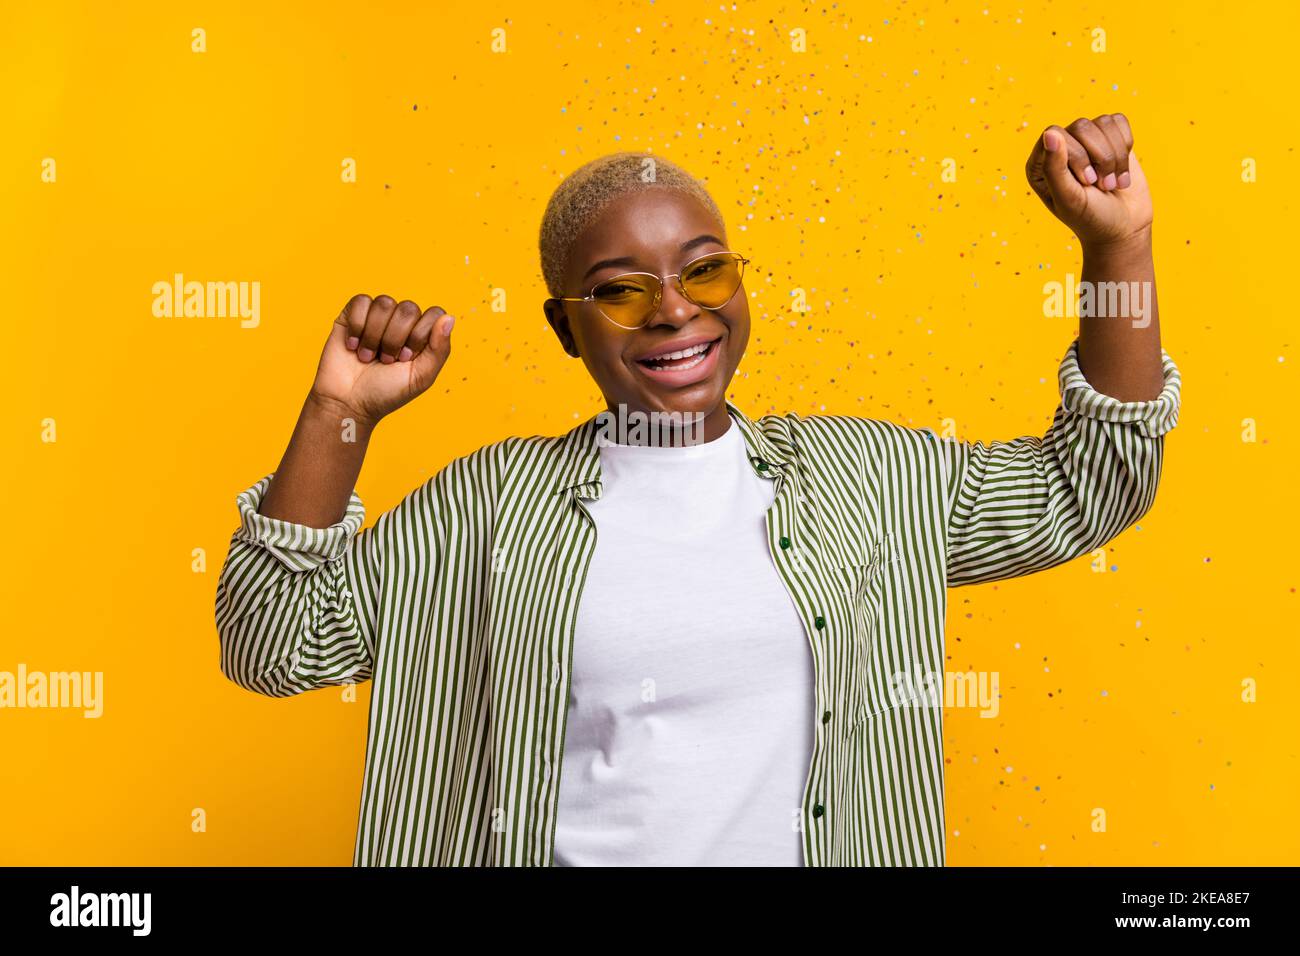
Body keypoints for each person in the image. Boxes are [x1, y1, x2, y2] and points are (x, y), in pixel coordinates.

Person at [215, 114, 1180, 866]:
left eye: (705, 271)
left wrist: (1117, 245)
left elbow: (1088, 483)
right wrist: (338, 410)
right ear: (566, 328)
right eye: (622, 290)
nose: (676, 309)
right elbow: (270, 642)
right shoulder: (490, 510)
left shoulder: (869, 484)